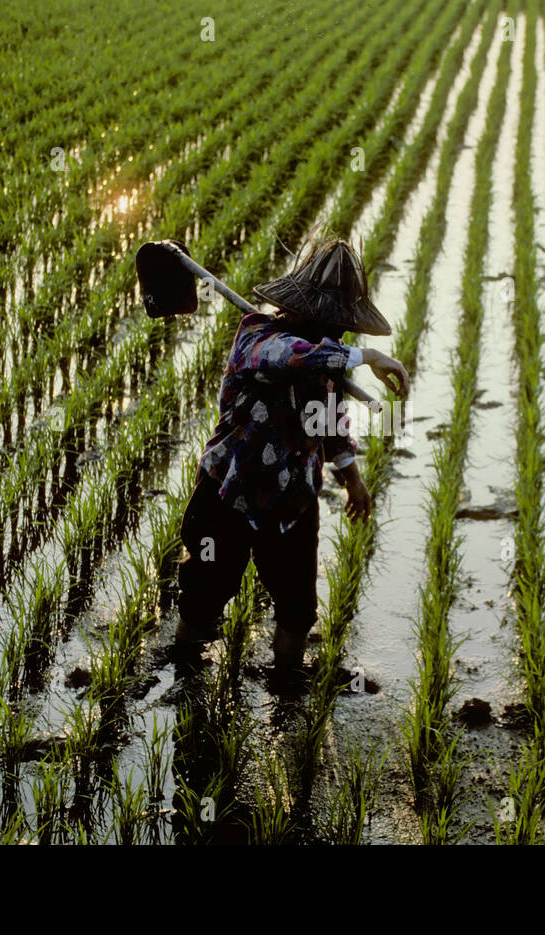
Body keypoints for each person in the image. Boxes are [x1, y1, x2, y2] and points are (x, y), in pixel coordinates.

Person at [172, 234, 409, 686]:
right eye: (328, 321)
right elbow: (288, 358)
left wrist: (352, 477)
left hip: (293, 502)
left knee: (297, 610)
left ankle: (287, 691)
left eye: (342, 324)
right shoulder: (258, 336)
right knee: (203, 595)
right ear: (298, 309)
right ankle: (183, 678)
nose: (336, 331)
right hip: (229, 496)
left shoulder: (328, 360)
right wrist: (368, 356)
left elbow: (332, 422)